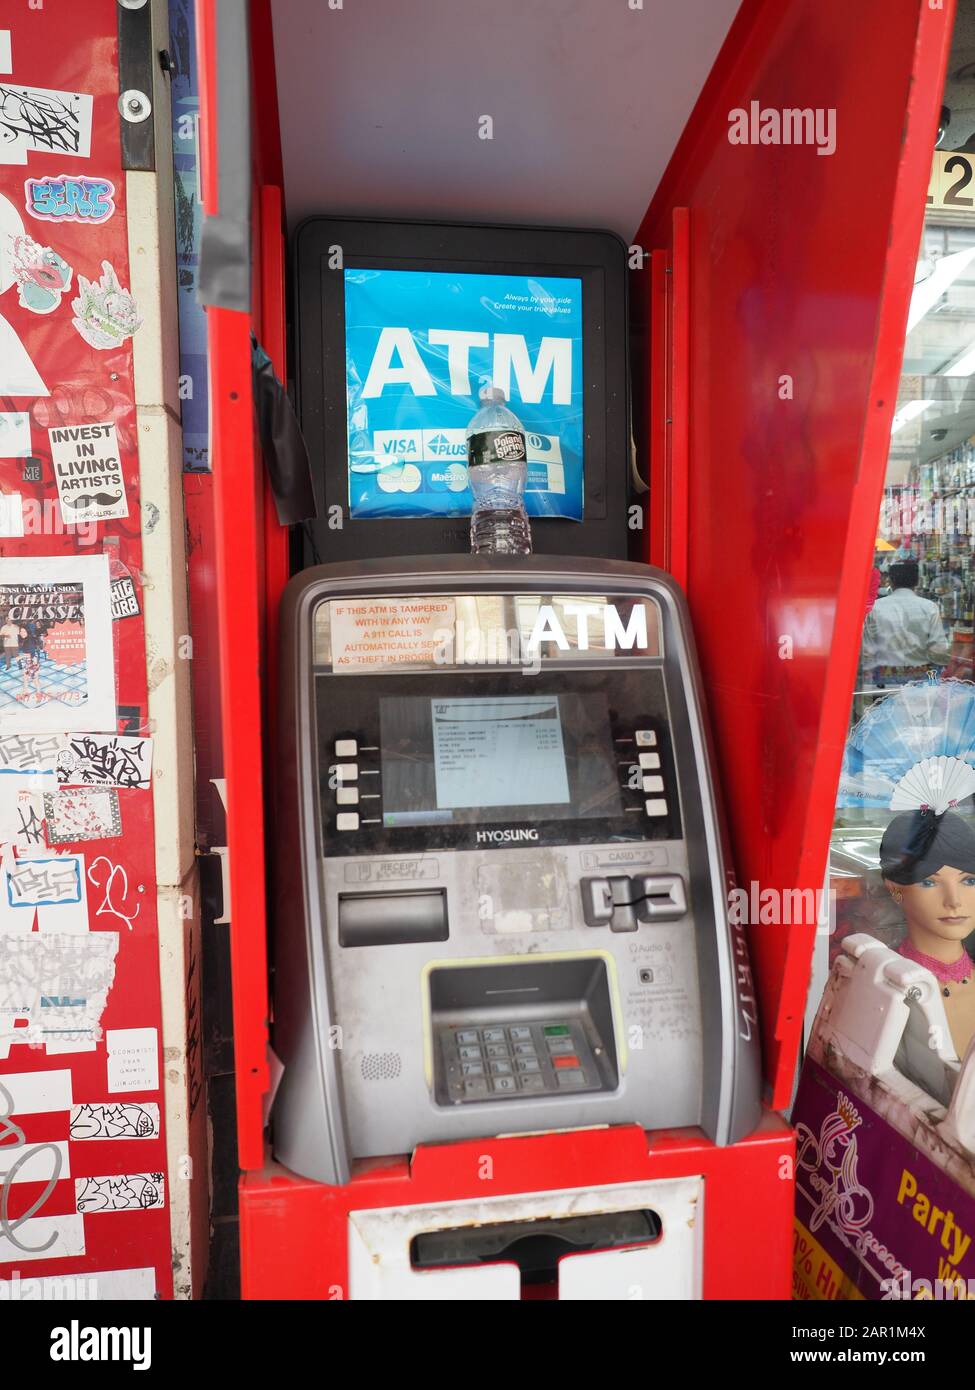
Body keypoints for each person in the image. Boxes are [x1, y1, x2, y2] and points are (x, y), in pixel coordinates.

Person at [880, 809, 975, 1059]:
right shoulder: (888, 997)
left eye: (969, 881)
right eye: (929, 882)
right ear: (894, 889)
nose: (954, 901)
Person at [861, 560, 951, 681]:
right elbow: (939, 649)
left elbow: (867, 650)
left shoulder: (875, 607)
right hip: (921, 680)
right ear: (917, 581)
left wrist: (867, 676)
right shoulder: (929, 607)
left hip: (884, 679)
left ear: (890, 581)